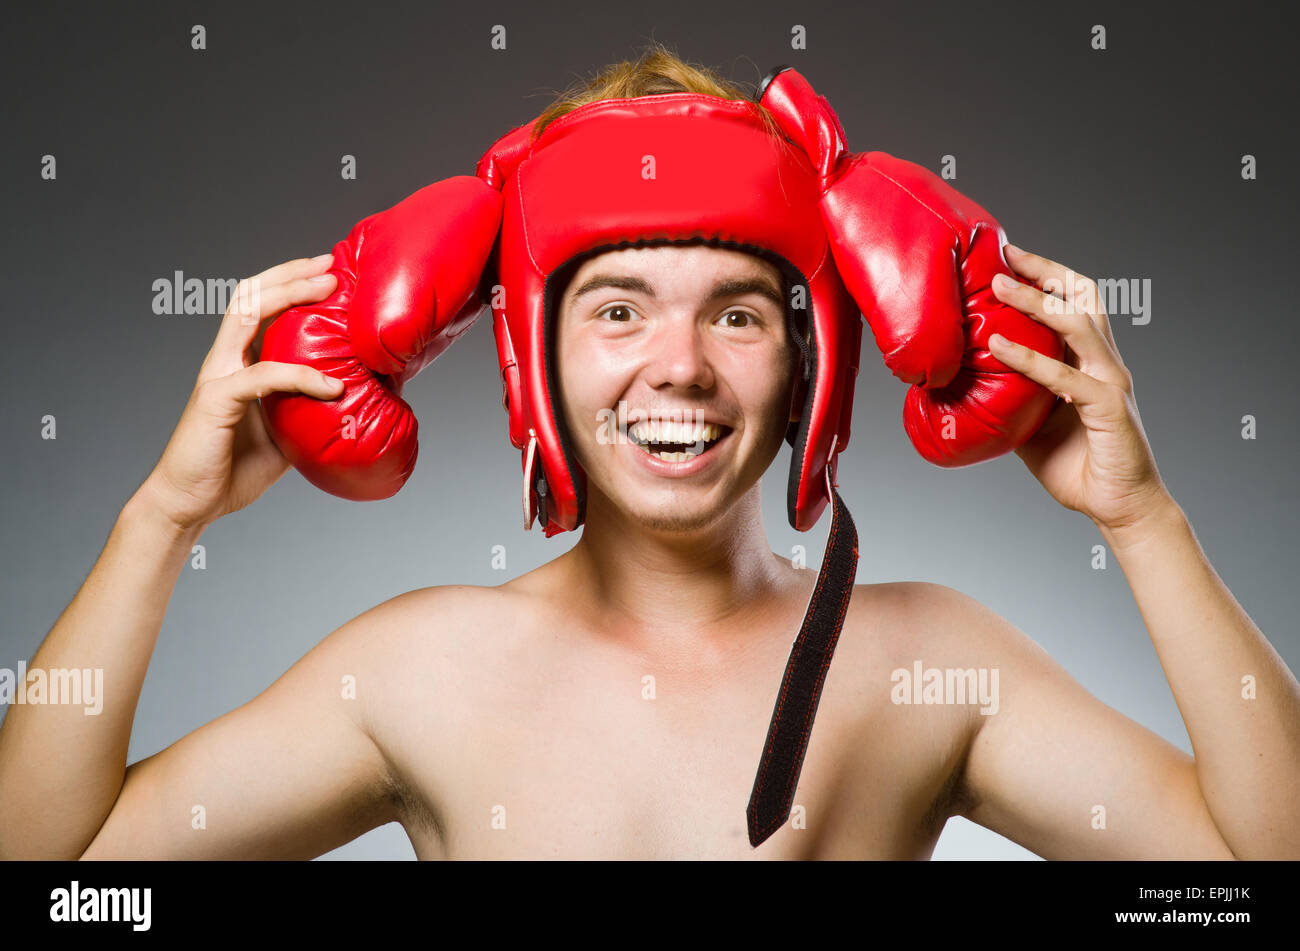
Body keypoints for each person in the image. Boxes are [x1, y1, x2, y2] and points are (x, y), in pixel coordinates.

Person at [2, 49, 1297, 861]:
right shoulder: (420, 667)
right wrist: (161, 520)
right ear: (533, 360)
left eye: (736, 312)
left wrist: (1145, 524)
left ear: (815, 359)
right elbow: (60, 881)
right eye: (617, 308)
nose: (678, 364)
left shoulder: (928, 664)